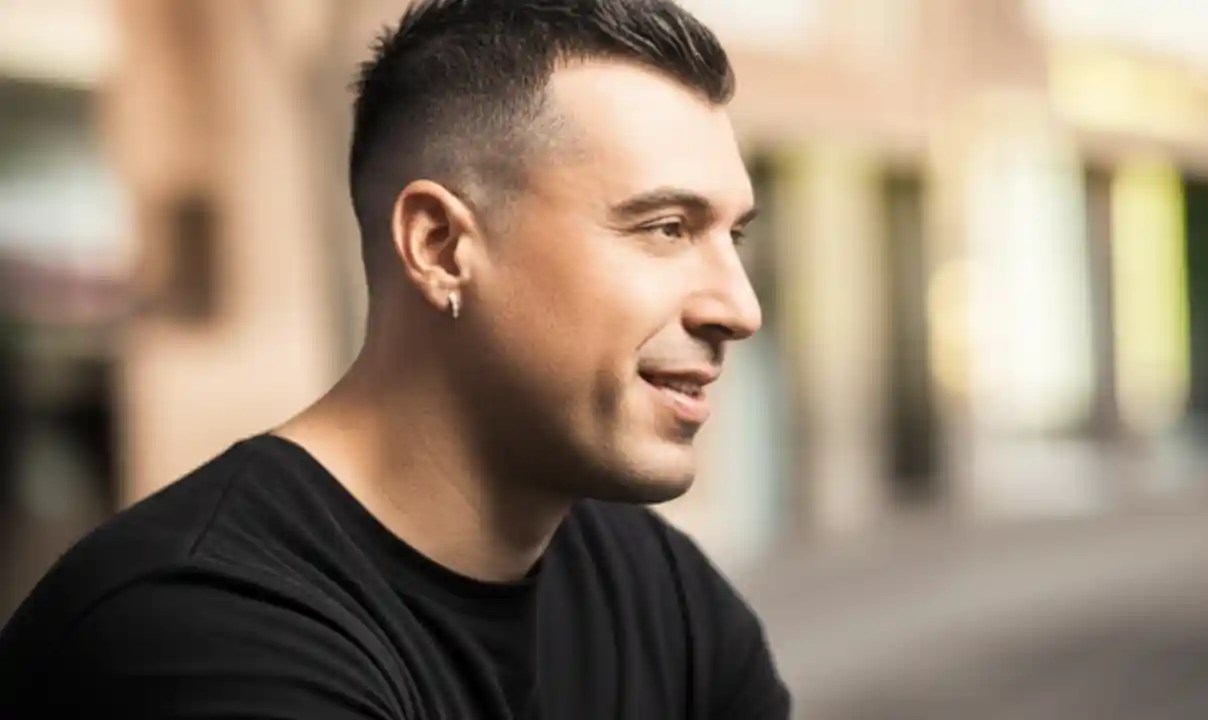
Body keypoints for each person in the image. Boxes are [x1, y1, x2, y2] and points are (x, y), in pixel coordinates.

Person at [0, 0, 789, 717]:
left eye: (734, 236)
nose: (739, 308)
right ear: (439, 246)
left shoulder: (660, 592)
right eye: (665, 228)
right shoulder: (203, 633)